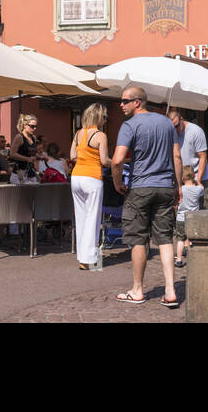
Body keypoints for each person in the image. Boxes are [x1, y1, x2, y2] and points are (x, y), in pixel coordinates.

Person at [111, 85, 182, 308]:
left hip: (140, 187)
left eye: (124, 101)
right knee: (164, 237)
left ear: (137, 102)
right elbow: (176, 156)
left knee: (138, 238)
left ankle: (138, 290)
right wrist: (178, 186)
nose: (121, 105)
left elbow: (117, 160)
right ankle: (170, 290)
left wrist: (117, 182)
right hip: (164, 187)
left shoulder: (129, 125)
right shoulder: (166, 123)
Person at [70, 102, 111, 271]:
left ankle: (82, 258)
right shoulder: (100, 135)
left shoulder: (78, 133)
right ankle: (91, 260)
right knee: (93, 218)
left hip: (76, 177)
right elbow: (104, 161)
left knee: (81, 218)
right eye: (105, 117)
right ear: (99, 117)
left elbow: (72, 155)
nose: (106, 120)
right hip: (92, 177)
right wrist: (118, 162)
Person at [167, 109, 208, 186]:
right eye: (172, 128)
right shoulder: (170, 134)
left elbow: (203, 157)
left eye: (177, 126)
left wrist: (198, 180)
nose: (175, 130)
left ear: (181, 119)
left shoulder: (196, 131)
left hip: (197, 178)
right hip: (180, 180)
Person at [174, 165, 204, 269]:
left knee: (180, 239)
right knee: (192, 239)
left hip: (181, 218)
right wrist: (198, 181)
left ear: (182, 177)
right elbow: (202, 187)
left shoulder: (180, 190)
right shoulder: (198, 189)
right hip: (193, 218)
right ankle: (193, 258)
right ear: (194, 175)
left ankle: (178, 259)